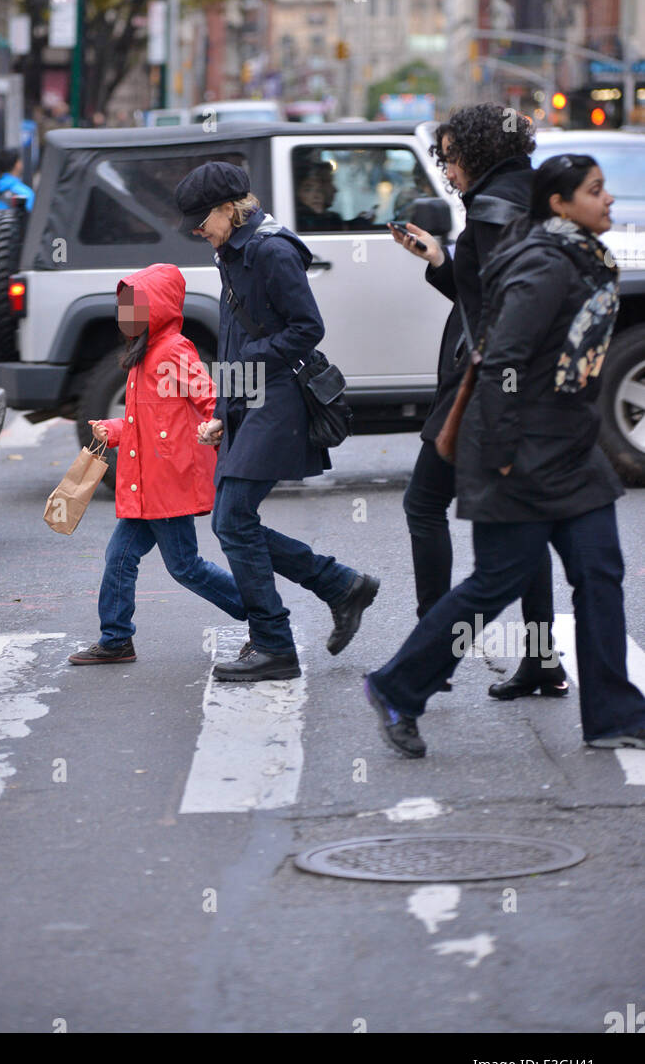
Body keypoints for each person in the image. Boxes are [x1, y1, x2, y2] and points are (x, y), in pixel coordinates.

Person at [365, 153, 645, 757]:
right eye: (596, 191)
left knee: (599, 574)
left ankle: (616, 714)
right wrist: (502, 451)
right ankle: (397, 686)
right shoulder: (543, 266)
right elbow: (502, 364)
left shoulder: (583, 255)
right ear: (559, 204)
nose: (609, 201)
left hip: (571, 447)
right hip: (520, 450)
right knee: (495, 583)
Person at [175, 160, 379, 683]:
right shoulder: (230, 249)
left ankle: (275, 643)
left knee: (231, 520)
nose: (199, 231)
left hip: (281, 398)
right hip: (251, 398)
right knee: (232, 520)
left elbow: (307, 328)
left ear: (228, 208)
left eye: (203, 220)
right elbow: (232, 338)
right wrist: (224, 410)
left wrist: (245, 371)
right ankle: (338, 586)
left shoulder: (270, 248)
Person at [390, 103, 566, 700]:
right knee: (522, 523)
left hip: (484, 390)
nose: (448, 170)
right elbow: (487, 296)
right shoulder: (530, 196)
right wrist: (442, 261)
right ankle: (541, 662)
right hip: (516, 388)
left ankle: (429, 655)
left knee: (423, 505)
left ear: (477, 154)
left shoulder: (492, 215)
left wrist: (502, 401)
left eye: (450, 157)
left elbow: (505, 317)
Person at [68, 263, 248, 664]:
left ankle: (261, 614)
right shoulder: (143, 356)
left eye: (133, 307)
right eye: (123, 307)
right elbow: (143, 421)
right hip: (145, 488)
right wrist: (112, 430)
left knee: (186, 567)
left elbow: (209, 399)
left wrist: (215, 426)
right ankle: (115, 640)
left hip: (167, 486)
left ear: (159, 309)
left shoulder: (172, 351)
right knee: (120, 558)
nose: (124, 316)